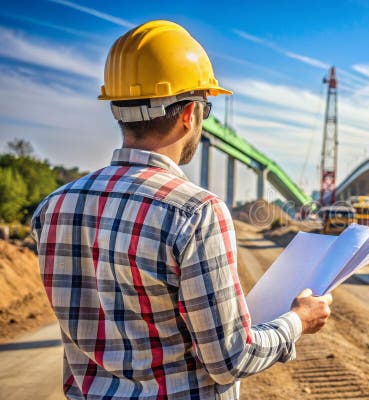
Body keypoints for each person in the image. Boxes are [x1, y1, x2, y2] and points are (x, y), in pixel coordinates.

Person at [30, 20, 331, 399]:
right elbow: (229, 358)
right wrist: (298, 321)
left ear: (116, 109)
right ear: (190, 113)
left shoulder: (54, 207)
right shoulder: (196, 212)